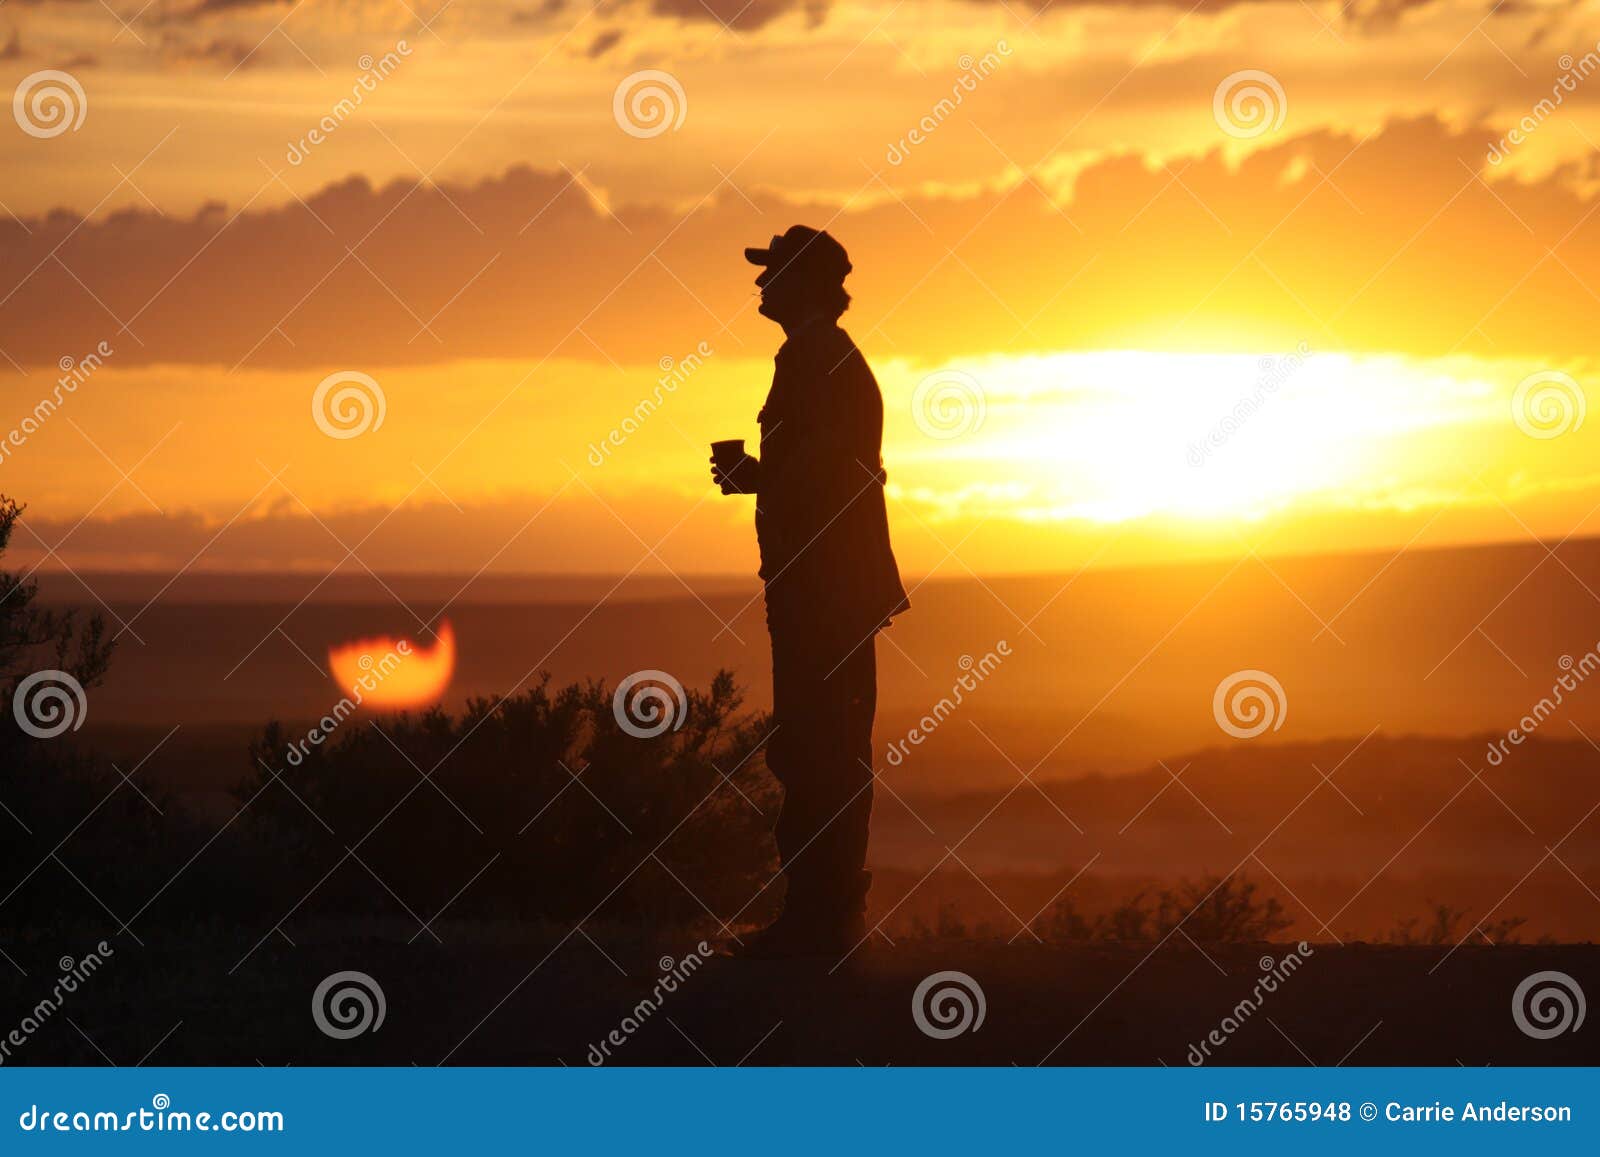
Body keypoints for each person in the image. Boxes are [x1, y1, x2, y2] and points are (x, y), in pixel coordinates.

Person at [711, 225, 911, 958]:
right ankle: (823, 915)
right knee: (823, 744)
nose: (760, 285)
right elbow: (830, 469)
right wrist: (764, 481)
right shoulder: (824, 355)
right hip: (828, 586)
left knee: (815, 744)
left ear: (806, 284)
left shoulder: (815, 356)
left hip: (823, 590)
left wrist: (763, 480)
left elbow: (828, 475)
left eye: (774, 273)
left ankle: (818, 921)